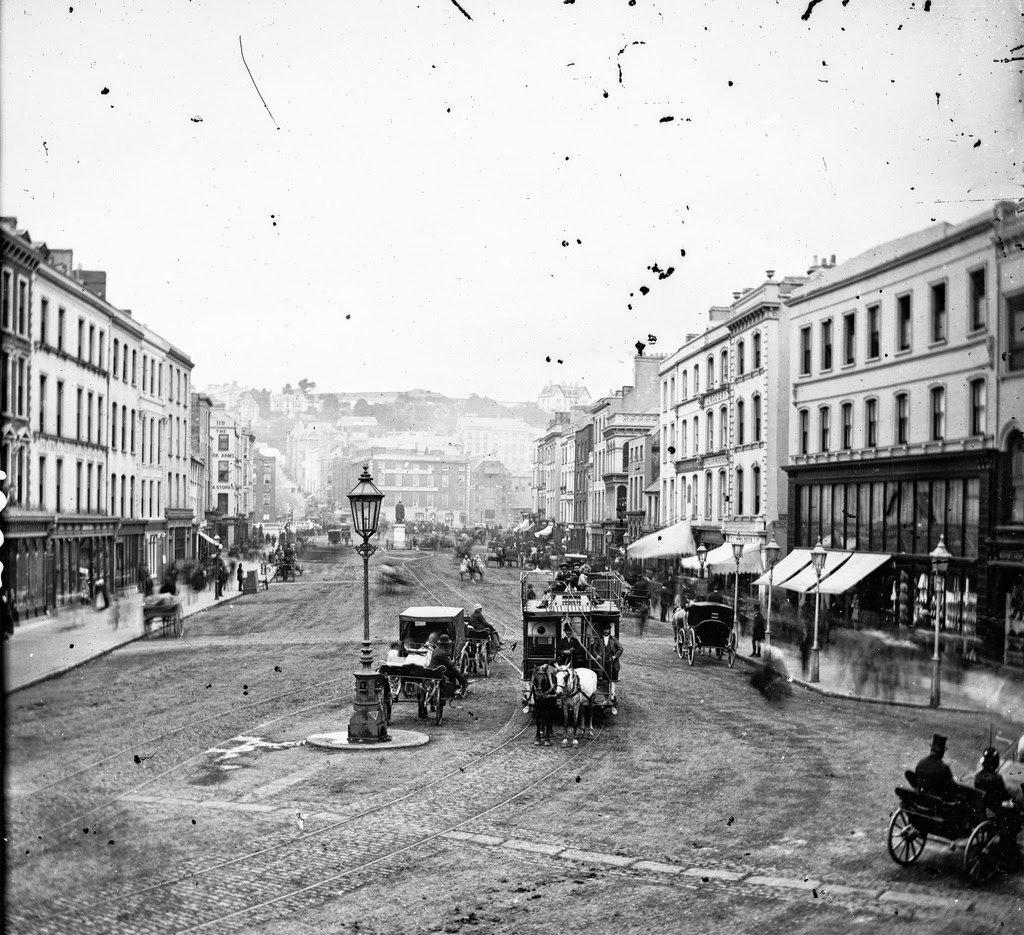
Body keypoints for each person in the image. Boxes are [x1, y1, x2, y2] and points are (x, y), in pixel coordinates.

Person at [974, 747, 1023, 871]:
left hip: (982, 811)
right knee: (1013, 820)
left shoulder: (978, 776)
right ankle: (1009, 856)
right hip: (992, 814)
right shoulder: (996, 778)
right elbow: (1005, 796)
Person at [418, 634, 468, 718]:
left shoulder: (436, 650)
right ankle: (459, 685)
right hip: (438, 672)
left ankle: (462, 682)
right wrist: (452, 662)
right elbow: (449, 665)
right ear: (445, 644)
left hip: (431, 671)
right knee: (453, 671)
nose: (448, 645)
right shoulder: (443, 653)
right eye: (447, 644)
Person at [911, 734, 958, 799]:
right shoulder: (944, 767)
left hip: (922, 796)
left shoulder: (921, 763)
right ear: (942, 752)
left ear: (931, 750)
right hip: (936, 800)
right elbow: (953, 787)